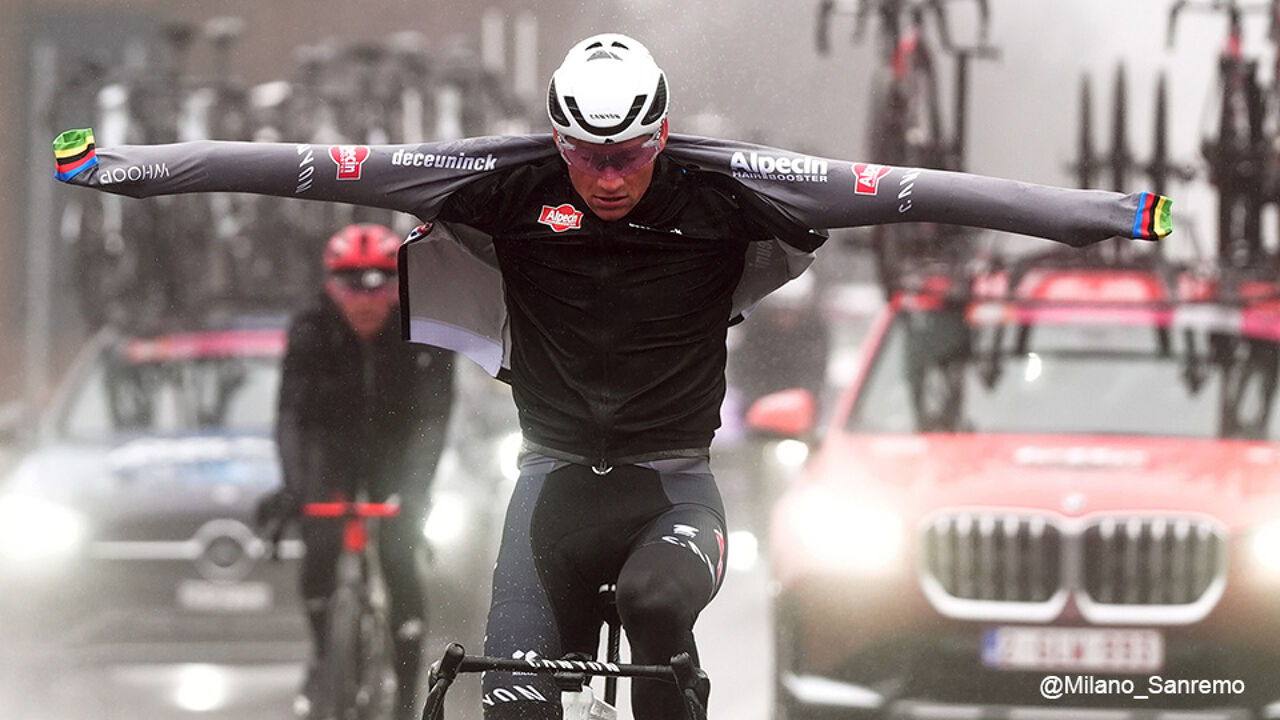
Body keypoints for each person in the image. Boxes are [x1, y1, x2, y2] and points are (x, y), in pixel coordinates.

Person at [52, 32, 1171, 720]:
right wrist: (118, 169)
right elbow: (302, 170)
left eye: (630, 155)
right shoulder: (493, 179)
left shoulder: (734, 185)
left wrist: (1109, 215)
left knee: (648, 605)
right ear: (553, 137)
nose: (607, 179)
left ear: (661, 133)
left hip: (669, 487)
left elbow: (929, 192)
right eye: (584, 158)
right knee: (516, 706)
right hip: (549, 484)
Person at [255, 223, 455, 720]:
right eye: (350, 287)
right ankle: (326, 653)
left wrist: (415, 491)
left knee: (398, 550)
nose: (364, 302)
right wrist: (294, 487)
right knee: (320, 542)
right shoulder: (310, 326)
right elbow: (291, 415)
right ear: (330, 287)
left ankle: (408, 694)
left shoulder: (423, 328)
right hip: (332, 447)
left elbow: (432, 417)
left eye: (379, 287)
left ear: (397, 287)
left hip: (395, 449)